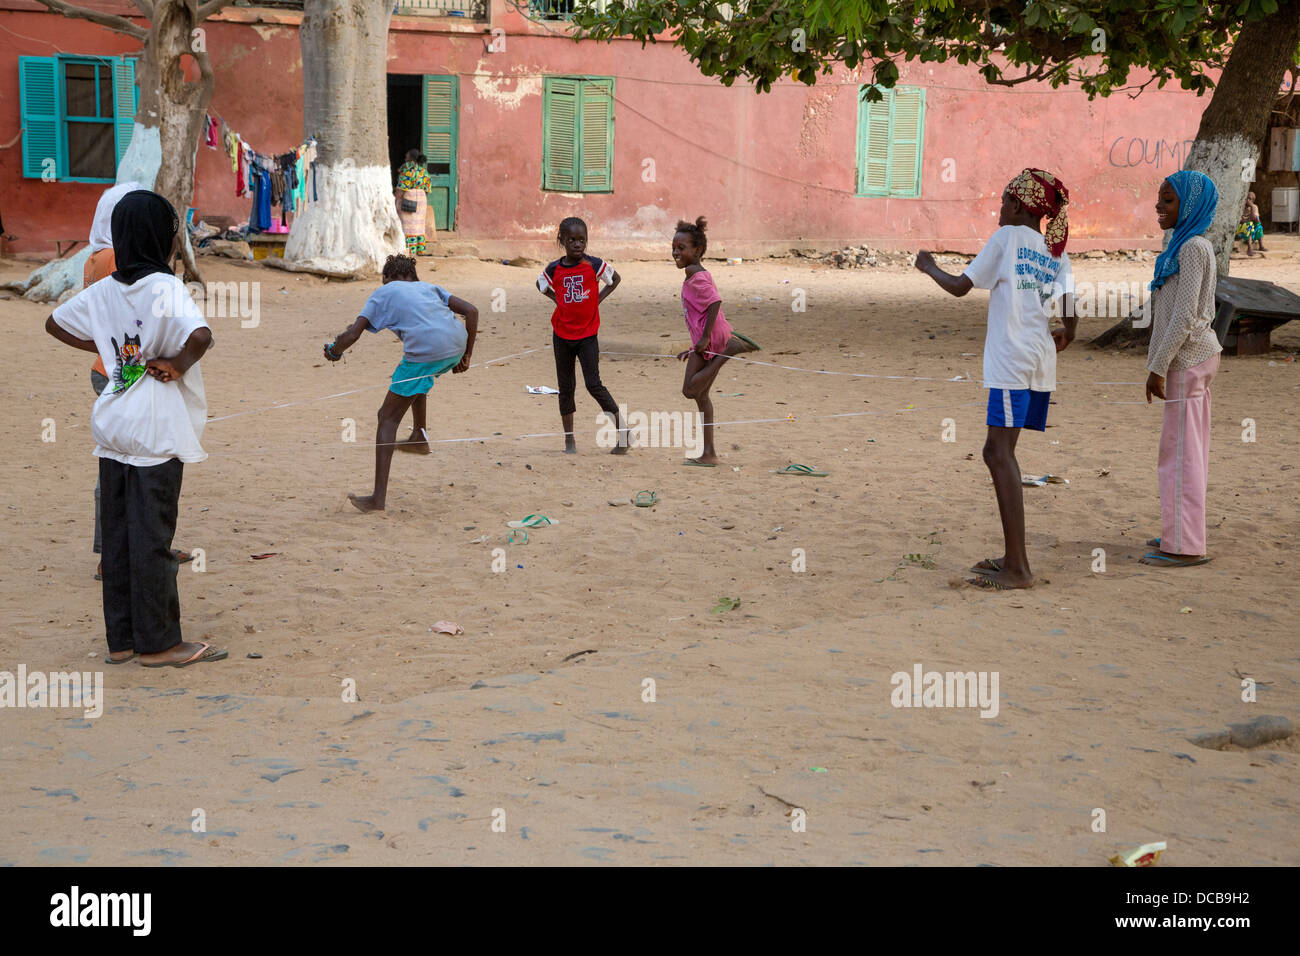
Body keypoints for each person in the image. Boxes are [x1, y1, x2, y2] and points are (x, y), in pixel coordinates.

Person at [46, 190, 225, 667]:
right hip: (153, 424)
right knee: (153, 537)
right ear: (162, 239)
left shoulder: (104, 288)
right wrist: (175, 363)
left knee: (121, 536)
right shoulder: (166, 287)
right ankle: (161, 644)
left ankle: (122, 641)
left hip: (111, 419)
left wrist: (111, 354)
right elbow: (202, 335)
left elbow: (54, 323)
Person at [915, 169, 1076, 590]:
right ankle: (1013, 557)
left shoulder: (1006, 239)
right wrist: (1069, 333)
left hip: (1010, 360)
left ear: (1019, 206)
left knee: (997, 454)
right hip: (1039, 361)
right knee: (1001, 451)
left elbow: (960, 287)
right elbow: (1072, 304)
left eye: (1003, 200)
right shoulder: (1054, 249)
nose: (998, 208)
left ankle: (1018, 568)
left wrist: (929, 267)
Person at [83, 182, 195, 580]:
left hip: (108, 367)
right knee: (140, 465)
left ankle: (122, 550)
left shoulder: (95, 257)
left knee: (118, 462)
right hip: (130, 369)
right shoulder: (120, 258)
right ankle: (126, 552)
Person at [324, 254, 477, 512]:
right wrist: (467, 355)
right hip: (456, 344)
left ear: (388, 278)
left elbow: (352, 333)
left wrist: (334, 351)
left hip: (427, 351)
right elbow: (472, 311)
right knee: (418, 380)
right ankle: (419, 434)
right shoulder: (429, 287)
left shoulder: (385, 291)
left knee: (387, 417)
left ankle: (377, 500)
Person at [1142, 171, 1222, 567]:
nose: (1159, 205)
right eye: (1159, 197)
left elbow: (1186, 316)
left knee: (1180, 455)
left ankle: (1186, 545)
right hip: (1191, 358)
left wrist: (1157, 367)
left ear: (1189, 206)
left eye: (1168, 200)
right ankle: (1178, 529)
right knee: (1184, 449)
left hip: (1187, 360)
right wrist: (1155, 363)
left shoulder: (1191, 248)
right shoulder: (1184, 244)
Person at [671, 216, 760, 467]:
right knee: (702, 397)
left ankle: (728, 353)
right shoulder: (695, 273)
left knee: (690, 390)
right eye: (674, 248)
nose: (676, 252)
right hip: (707, 336)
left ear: (697, 250)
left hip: (712, 337)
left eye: (682, 248)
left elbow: (714, 302)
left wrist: (706, 338)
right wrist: (693, 346)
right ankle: (709, 454)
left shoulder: (695, 274)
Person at [536, 216, 630, 454]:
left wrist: (597, 300)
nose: (577, 245)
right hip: (562, 336)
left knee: (593, 384)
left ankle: (623, 433)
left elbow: (615, 279)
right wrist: (557, 300)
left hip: (587, 335)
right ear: (562, 241)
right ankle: (569, 440)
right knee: (566, 388)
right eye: (572, 240)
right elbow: (540, 284)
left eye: (582, 240)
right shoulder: (554, 269)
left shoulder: (594, 264)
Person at [395, 149, 432, 256]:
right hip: (422, 199)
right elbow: (428, 188)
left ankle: (408, 250)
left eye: (406, 157)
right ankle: (420, 249)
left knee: (407, 225)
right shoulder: (424, 171)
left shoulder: (407, 171)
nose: (405, 159)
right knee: (419, 225)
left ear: (410, 159)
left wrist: (396, 198)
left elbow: (402, 187)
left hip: (408, 198)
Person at [1235, 190, 1266, 256]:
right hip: (1241, 229)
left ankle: (1261, 246)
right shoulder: (1241, 207)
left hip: (1250, 228)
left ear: (1252, 201)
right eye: (1247, 198)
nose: (1248, 200)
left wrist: (1252, 208)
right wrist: (1248, 220)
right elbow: (1240, 221)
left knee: (1259, 226)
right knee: (1250, 226)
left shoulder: (1254, 207)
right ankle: (1249, 249)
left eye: (1250, 199)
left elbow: (1256, 220)